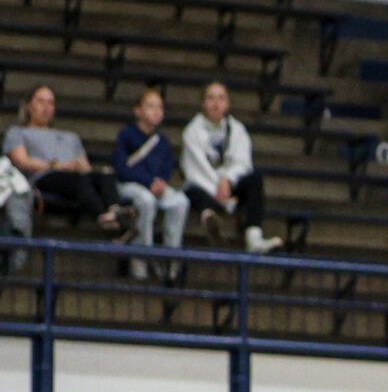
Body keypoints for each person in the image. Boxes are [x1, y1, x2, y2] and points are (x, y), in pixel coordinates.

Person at [4, 84, 122, 236]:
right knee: (79, 182)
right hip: (45, 177)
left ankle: (114, 211)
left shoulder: (70, 137)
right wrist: (58, 165)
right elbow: (21, 161)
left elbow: (85, 166)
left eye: (50, 102)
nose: (46, 107)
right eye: (41, 101)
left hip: (76, 176)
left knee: (106, 175)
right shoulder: (17, 132)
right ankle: (102, 216)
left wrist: (80, 167)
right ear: (28, 105)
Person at [180, 81, 281, 253]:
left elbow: (243, 162)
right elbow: (195, 170)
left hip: (228, 187)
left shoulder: (237, 129)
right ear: (203, 103)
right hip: (205, 187)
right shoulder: (192, 131)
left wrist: (227, 180)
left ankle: (254, 237)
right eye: (210, 98)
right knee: (193, 192)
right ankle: (212, 225)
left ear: (227, 104)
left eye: (221, 98)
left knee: (254, 179)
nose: (216, 103)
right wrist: (219, 190)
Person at [111, 87, 188, 272]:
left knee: (180, 202)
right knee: (146, 201)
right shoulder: (126, 135)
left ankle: (172, 262)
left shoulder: (162, 141)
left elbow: (167, 166)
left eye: (159, 107)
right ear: (138, 111)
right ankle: (141, 261)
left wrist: (161, 182)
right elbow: (121, 168)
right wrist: (148, 182)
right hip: (130, 185)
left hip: (155, 187)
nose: (156, 111)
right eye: (150, 106)